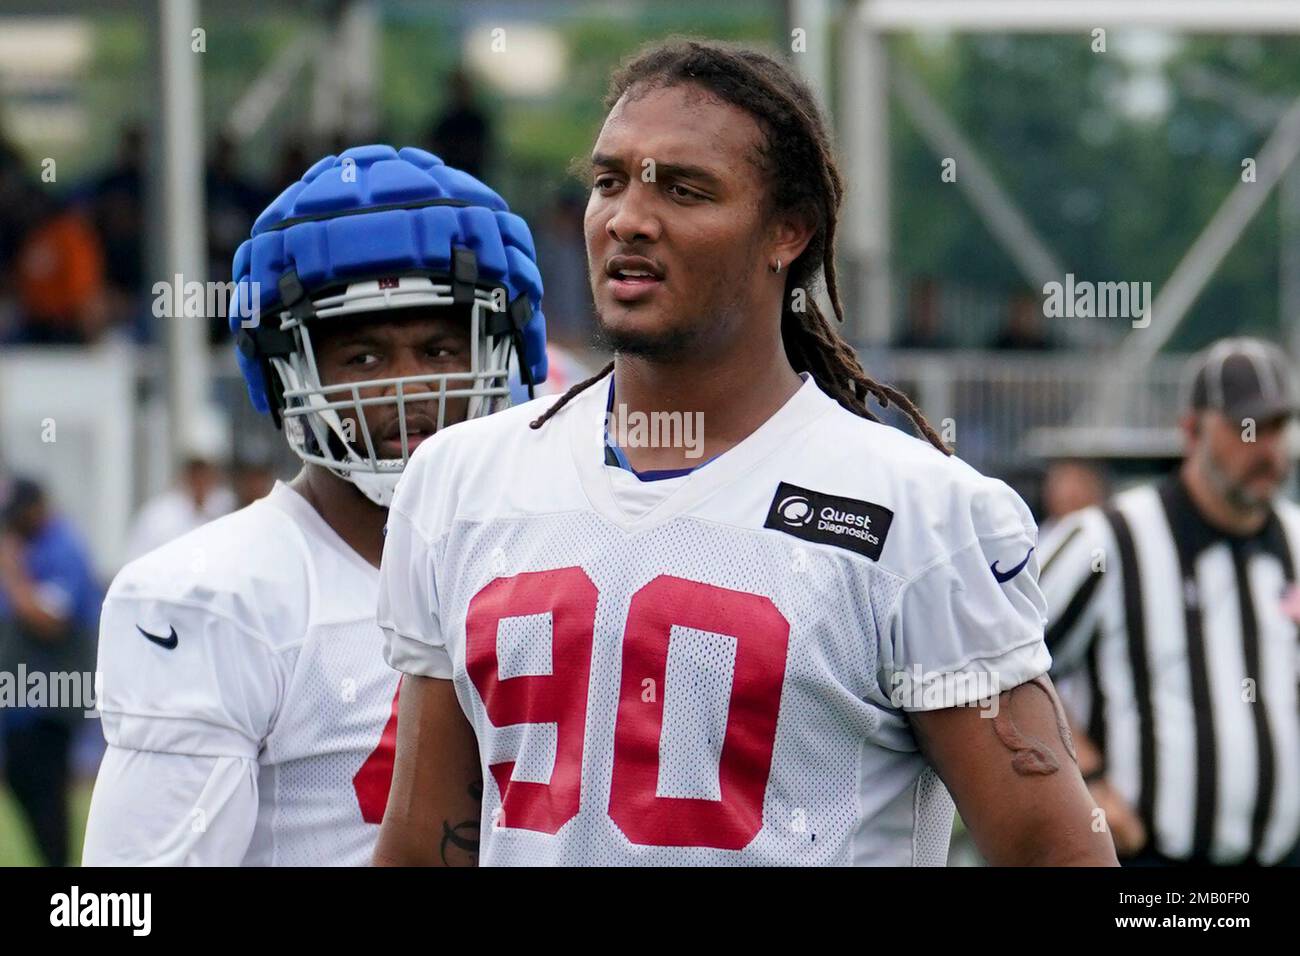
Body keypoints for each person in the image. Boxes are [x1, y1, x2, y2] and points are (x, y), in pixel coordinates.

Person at [372, 40, 1115, 867]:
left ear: (788, 233)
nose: (628, 219)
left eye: (686, 191)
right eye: (608, 181)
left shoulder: (922, 513)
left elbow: (1057, 855)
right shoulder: (459, 479)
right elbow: (420, 844)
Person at [81, 145, 547, 865]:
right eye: (361, 356)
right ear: (287, 371)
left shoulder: (558, 564)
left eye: (438, 349)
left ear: (502, 351)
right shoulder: (219, 596)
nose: (407, 386)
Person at [1039, 337, 1300, 865]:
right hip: (1147, 866)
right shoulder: (1108, 539)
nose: (1268, 448)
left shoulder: (1296, 540)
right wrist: (1084, 776)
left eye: (1278, 427)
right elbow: (998, 660)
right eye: (1247, 427)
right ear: (1191, 430)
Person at [0, 477, 99, 866]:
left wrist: (12, 573)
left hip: (51, 696)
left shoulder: (64, 548)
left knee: (44, 792)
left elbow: (50, 621)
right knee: (24, 783)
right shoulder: (27, 545)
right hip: (22, 699)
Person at [123, 408, 236, 562]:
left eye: (206, 469)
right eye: (195, 469)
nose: (201, 477)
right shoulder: (157, 519)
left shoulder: (228, 511)